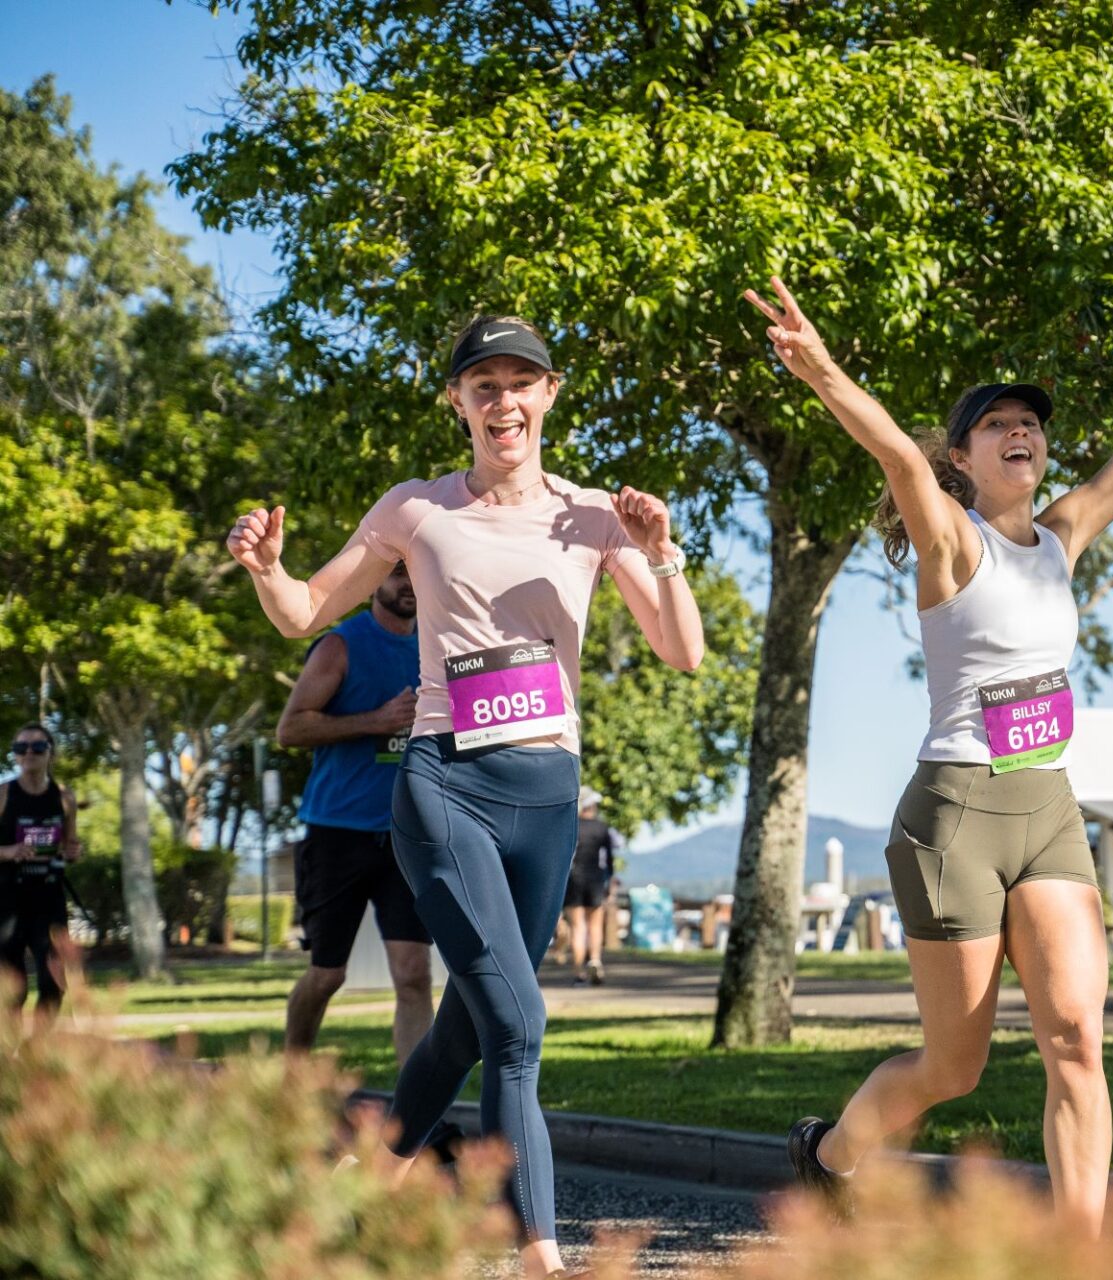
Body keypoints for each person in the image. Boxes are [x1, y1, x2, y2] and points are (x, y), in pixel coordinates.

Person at [750, 229, 1113, 1236]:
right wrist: (821, 367)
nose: (1020, 432)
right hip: (954, 815)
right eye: (995, 423)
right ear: (960, 457)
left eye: (1030, 424)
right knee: (952, 1066)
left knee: (1078, 1037)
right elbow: (885, 447)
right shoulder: (949, 540)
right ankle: (830, 1152)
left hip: (1047, 807)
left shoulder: (1067, 533)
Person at [227, 314, 706, 1280]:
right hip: (445, 780)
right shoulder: (416, 510)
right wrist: (268, 567)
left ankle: (371, 1182)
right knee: (518, 1027)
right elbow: (299, 614)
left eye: (519, 383)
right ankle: (540, 1255)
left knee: (470, 1021)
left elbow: (681, 650)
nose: (503, 401)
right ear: (458, 403)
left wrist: (660, 552)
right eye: (482, 385)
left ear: (549, 396)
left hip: (547, 794)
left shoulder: (593, 515)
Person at [277, 560, 434, 1062]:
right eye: (396, 574)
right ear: (373, 584)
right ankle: (292, 1076)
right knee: (328, 975)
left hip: (406, 837)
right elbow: (291, 729)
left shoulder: (436, 648)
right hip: (337, 833)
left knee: (414, 975)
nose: (408, 584)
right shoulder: (340, 645)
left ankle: (417, 1116)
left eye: (416, 573)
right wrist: (375, 721)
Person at [0, 722, 82, 1023]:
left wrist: (74, 852)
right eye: (21, 748)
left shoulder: (64, 797)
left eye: (38, 747)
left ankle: (37, 1049)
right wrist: (9, 852)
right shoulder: (4, 794)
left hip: (49, 900)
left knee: (53, 981)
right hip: (7, 901)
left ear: (51, 753)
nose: (29, 753)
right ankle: (9, 1057)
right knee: (13, 988)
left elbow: (69, 845)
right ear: (15, 756)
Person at [565, 787, 617, 986]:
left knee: (578, 927)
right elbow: (609, 861)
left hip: (574, 879)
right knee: (595, 924)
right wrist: (609, 883)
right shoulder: (602, 828)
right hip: (596, 879)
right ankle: (595, 959)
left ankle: (579, 973)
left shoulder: (572, 826)